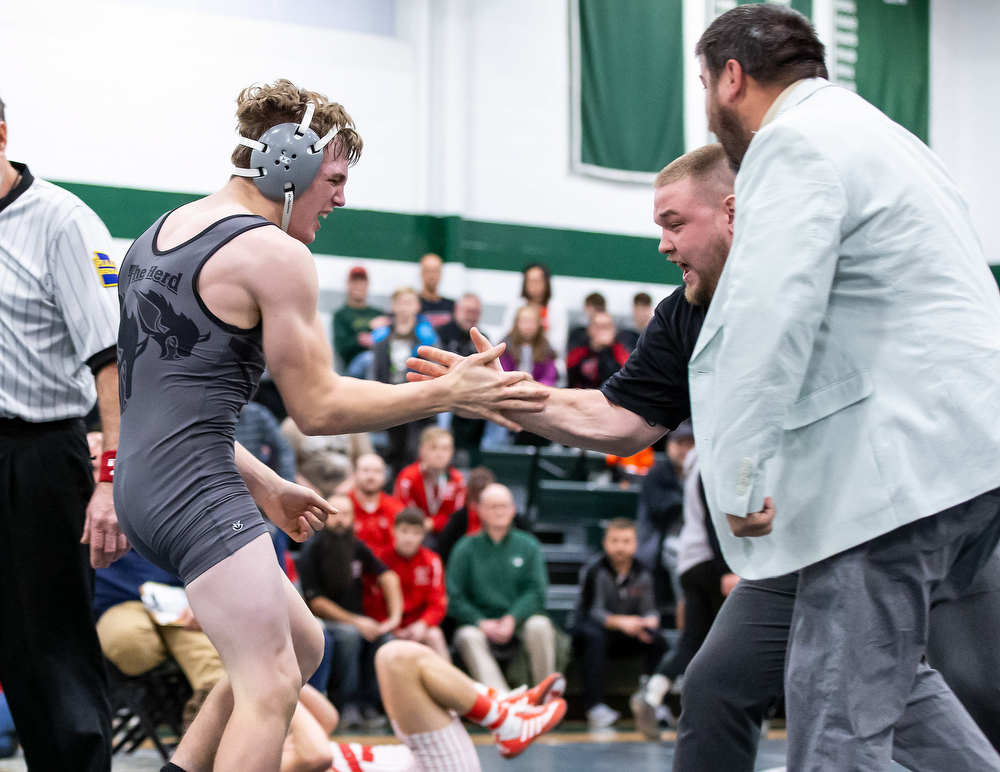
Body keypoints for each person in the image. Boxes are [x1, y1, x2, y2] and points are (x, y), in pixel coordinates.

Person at [407, 141, 1000, 770]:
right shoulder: (684, 315)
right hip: (801, 541)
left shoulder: (817, 281)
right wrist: (501, 394)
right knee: (721, 686)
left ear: (733, 212)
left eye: (674, 223)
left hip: (886, 521)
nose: (663, 245)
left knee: (886, 686)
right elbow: (619, 420)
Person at [113, 79, 546, 772]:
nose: (341, 199)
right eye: (335, 179)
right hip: (193, 489)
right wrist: (449, 392)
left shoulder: (155, 236)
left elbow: (160, 407)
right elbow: (317, 410)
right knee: (271, 687)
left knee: (303, 645)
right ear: (286, 162)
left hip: (150, 482)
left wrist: (265, 484)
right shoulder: (274, 254)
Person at [689, 6, 1000, 769]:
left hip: (894, 472)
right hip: (969, 460)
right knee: (895, 686)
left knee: (834, 719)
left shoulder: (792, 142)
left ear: (731, 78)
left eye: (703, 84)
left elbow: (770, 312)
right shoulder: (890, 138)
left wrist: (740, 472)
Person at [0, 91, 125, 772]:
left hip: (43, 456)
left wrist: (111, 483)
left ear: (1, 136)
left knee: (53, 651)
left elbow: (113, 363)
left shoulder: (64, 223)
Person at [280, 643, 567, 772]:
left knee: (393, 657)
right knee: (397, 658)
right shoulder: (259, 763)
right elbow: (317, 755)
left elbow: (327, 719)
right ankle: (505, 720)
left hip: (421, 760)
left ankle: (500, 708)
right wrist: (276, 685)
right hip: (432, 767)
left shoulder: (268, 743)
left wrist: (281, 676)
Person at [632, 445, 737, 739]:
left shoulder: (694, 465)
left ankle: (652, 694)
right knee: (725, 642)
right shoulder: (710, 464)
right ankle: (719, 711)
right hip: (711, 563)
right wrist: (726, 568)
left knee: (692, 642)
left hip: (690, 561)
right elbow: (714, 519)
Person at [297, 493, 402, 731]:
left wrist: (393, 619)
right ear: (323, 517)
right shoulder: (312, 549)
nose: (340, 520)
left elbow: (388, 576)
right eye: (334, 514)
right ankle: (346, 705)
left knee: (382, 636)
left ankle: (371, 705)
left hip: (356, 620)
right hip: (321, 622)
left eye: (346, 514)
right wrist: (356, 622)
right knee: (350, 636)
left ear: (354, 518)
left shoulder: (356, 546)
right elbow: (316, 602)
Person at [94, 550, 226, 732]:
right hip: (115, 604)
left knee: (208, 660)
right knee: (129, 641)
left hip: (179, 599)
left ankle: (214, 720)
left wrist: (203, 595)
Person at [447, 484, 556, 693]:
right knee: (468, 636)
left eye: (504, 506)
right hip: (480, 622)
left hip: (519, 621)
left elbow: (536, 591)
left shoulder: (528, 545)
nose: (499, 512)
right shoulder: (465, 548)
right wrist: (480, 621)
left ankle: (545, 694)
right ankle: (503, 701)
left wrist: (513, 617)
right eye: (493, 506)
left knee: (540, 625)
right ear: (480, 510)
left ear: (513, 509)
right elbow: (455, 596)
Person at [573, 519, 667, 729]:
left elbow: (651, 610)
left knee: (657, 639)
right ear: (605, 543)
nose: (620, 547)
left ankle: (651, 700)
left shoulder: (644, 571)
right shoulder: (595, 570)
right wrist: (622, 622)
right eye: (614, 541)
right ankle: (595, 707)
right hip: (594, 630)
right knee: (594, 637)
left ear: (635, 544)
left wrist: (646, 623)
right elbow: (594, 612)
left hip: (630, 631)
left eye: (626, 541)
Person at [371, 287, 441, 479]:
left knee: (413, 449)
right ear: (393, 306)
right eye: (400, 303)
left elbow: (435, 367)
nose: (404, 308)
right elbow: (377, 370)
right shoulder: (382, 337)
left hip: (418, 399)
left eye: (409, 303)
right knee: (394, 449)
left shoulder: (427, 337)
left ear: (417, 306)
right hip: (391, 397)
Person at [367, 508, 450, 661]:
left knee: (435, 635)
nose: (409, 538)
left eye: (415, 533)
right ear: (393, 531)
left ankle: (448, 677)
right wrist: (392, 626)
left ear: (423, 535)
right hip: (388, 626)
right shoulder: (379, 559)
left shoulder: (432, 561)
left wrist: (423, 624)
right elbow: (372, 599)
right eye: (404, 531)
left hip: (419, 625)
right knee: (387, 640)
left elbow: (438, 602)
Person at [434, 293, 487, 465]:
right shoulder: (441, 333)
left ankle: (483, 458)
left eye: (475, 312)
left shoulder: (483, 338)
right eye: (468, 311)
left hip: (474, 392)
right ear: (456, 310)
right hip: (444, 390)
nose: (471, 316)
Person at [499, 305, 559, 446]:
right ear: (516, 323)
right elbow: (503, 373)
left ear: (539, 324)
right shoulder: (505, 346)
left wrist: (535, 390)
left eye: (531, 322)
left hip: (537, 396)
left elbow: (549, 376)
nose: (528, 326)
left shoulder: (546, 348)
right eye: (524, 321)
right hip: (511, 395)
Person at [394, 427, 466, 535]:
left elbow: (455, 516)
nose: (440, 454)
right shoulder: (408, 477)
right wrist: (423, 524)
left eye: (445, 448)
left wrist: (433, 523)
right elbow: (403, 511)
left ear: (452, 452)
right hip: (413, 531)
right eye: (433, 448)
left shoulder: (457, 479)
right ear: (421, 450)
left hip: (446, 533)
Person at [432, 466, 496, 566]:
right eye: (476, 502)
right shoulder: (459, 518)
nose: (479, 510)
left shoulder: (504, 517)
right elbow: (444, 550)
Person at [333, 265, 388, 377]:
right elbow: (342, 349)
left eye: (362, 282)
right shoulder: (341, 315)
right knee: (368, 358)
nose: (359, 285)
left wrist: (374, 341)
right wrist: (369, 328)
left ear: (367, 285)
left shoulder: (378, 313)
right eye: (355, 281)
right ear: (348, 284)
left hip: (379, 362)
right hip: (352, 367)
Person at [348, 452, 405, 553]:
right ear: (355, 474)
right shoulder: (344, 505)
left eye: (377, 471)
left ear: (384, 477)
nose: (371, 476)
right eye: (365, 470)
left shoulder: (396, 508)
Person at [512, 262, 568, 360]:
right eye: (530, 281)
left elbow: (559, 344)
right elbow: (508, 336)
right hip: (517, 358)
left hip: (547, 358)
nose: (533, 285)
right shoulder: (517, 305)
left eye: (537, 281)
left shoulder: (557, 308)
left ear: (546, 282)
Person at [565, 312, 629, 390]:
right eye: (599, 326)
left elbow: (622, 377)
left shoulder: (620, 352)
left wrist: (605, 350)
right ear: (590, 329)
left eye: (607, 327)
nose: (603, 331)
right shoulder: (579, 352)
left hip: (608, 393)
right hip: (581, 393)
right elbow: (571, 377)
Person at [417, 253, 454, 328]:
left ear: (440, 273)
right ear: (421, 273)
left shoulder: (452, 306)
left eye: (435, 271)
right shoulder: (414, 305)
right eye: (428, 271)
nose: (432, 275)